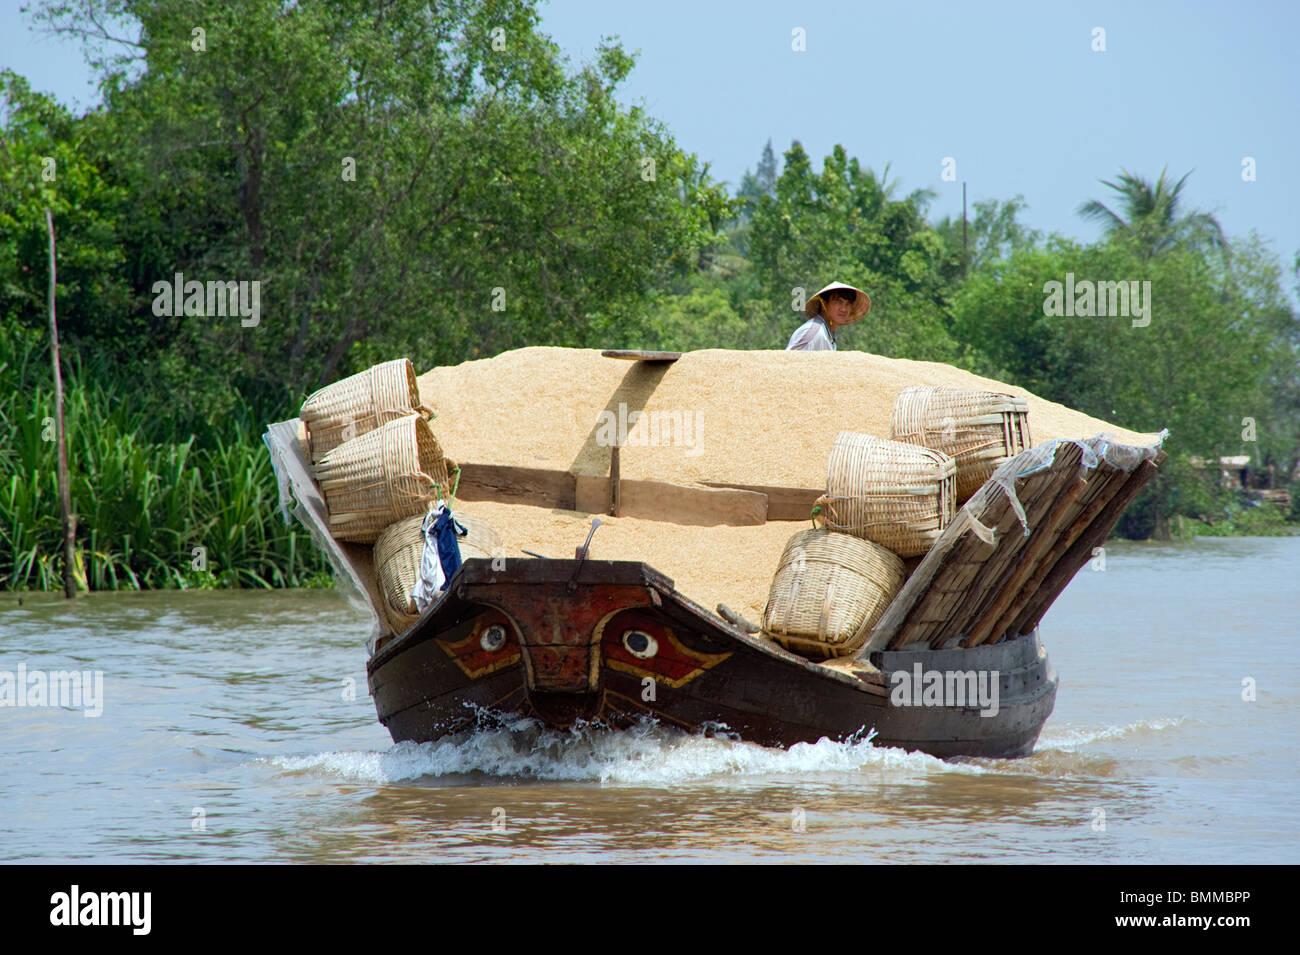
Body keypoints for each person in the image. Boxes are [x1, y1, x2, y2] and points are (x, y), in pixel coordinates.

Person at [786, 281, 871, 350]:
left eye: (848, 304)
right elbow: (788, 361)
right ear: (824, 304)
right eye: (838, 302)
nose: (843, 309)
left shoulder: (827, 333)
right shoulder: (814, 332)